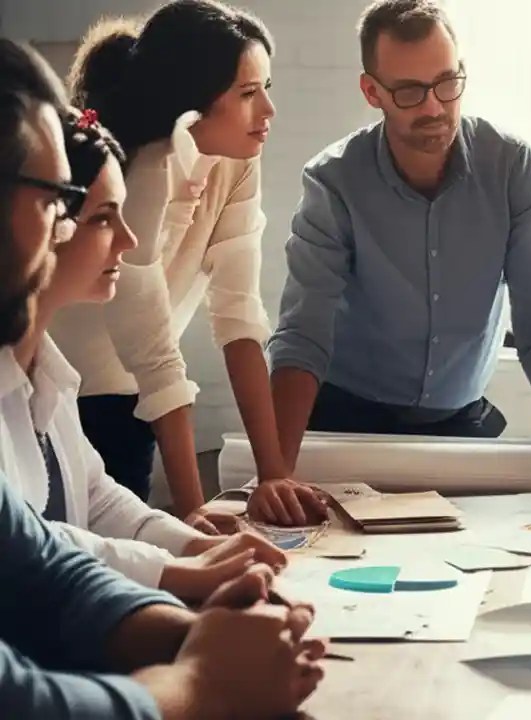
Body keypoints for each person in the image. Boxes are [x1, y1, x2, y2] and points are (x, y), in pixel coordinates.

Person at [0, 36, 322, 720]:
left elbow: (38, 563)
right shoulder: (148, 173)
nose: (64, 226)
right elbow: (18, 697)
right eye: (57, 198)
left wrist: (198, 629)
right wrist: (201, 680)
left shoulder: (43, 373)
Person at [266, 0, 531, 524]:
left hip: (460, 426)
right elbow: (302, 334)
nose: (433, 107)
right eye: (409, 91)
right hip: (348, 421)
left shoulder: (512, 167)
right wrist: (275, 471)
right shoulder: (333, 181)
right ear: (372, 92)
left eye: (447, 83)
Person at [0, 105, 289, 604]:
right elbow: (34, 542)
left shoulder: (47, 369)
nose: (130, 241)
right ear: (44, 224)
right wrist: (176, 574)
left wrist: (196, 545)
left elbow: (98, 498)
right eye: (107, 218)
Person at [49, 0, 318, 523]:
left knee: (132, 547)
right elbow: (154, 354)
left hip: (136, 405)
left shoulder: (239, 162)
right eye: (247, 93)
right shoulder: (144, 171)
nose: (268, 110)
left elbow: (238, 316)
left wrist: (274, 474)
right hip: (69, 397)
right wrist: (194, 513)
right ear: (193, 104)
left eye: (268, 87)